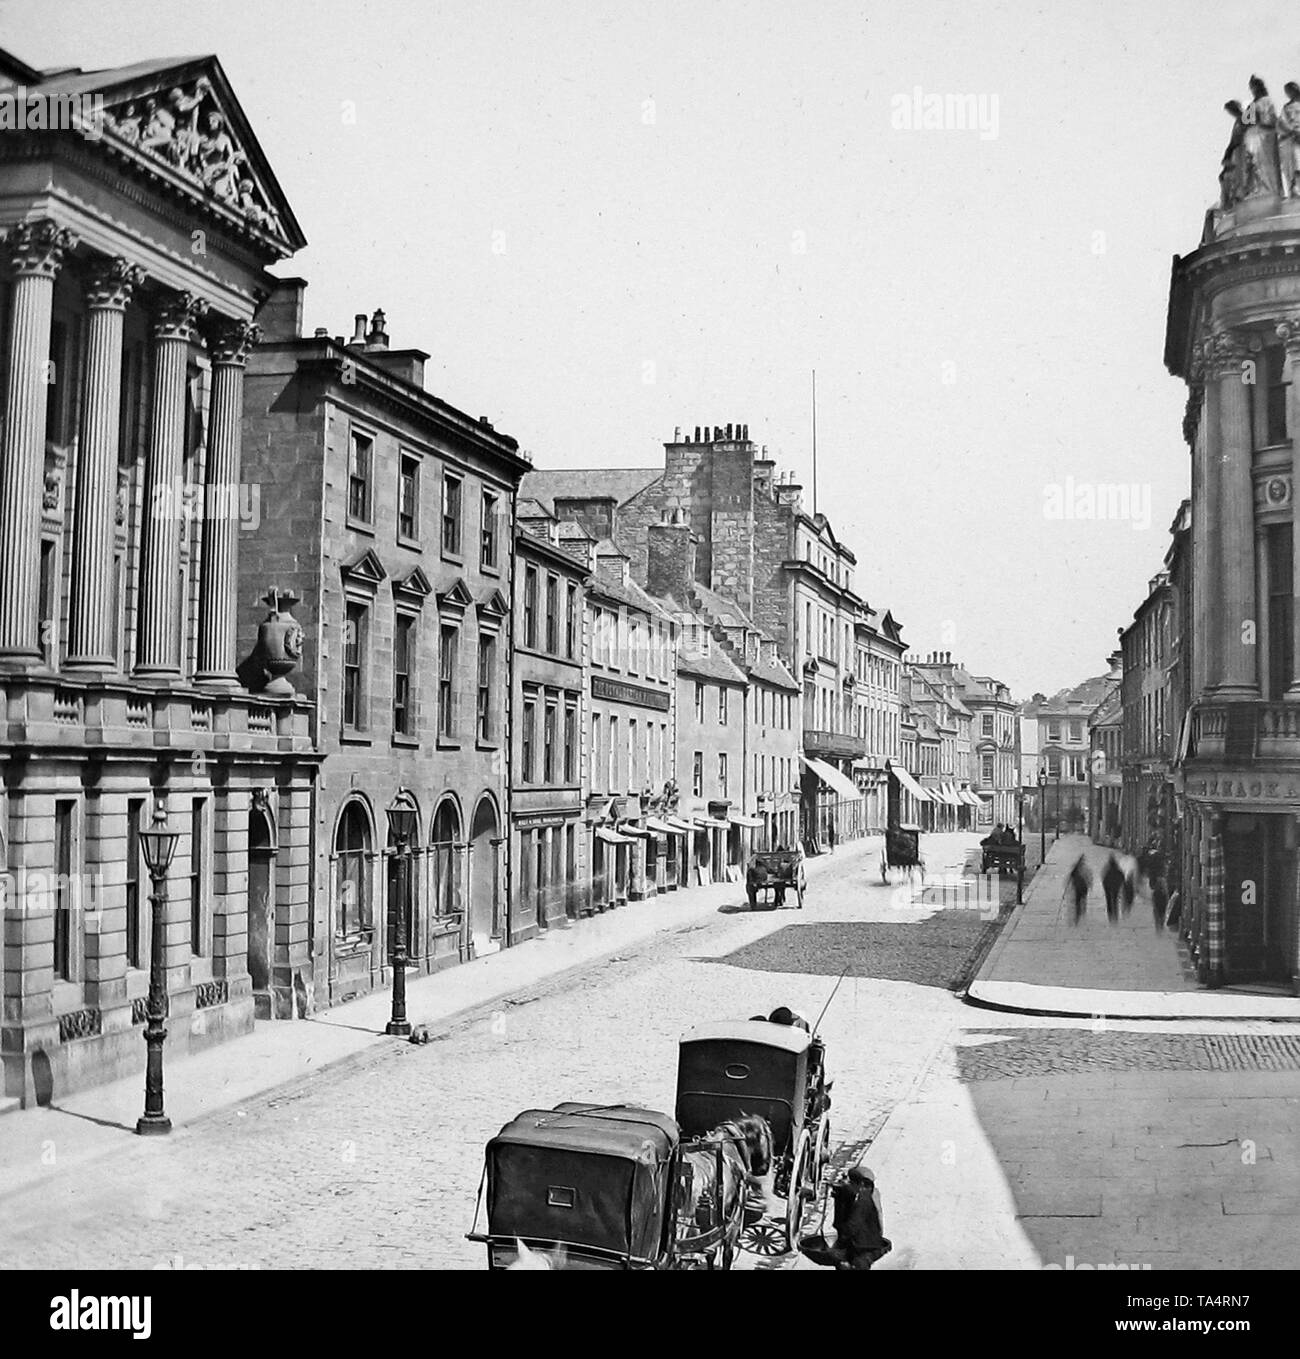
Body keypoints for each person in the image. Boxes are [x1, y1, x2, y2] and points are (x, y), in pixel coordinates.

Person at [830, 1166, 891, 1270]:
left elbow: (853, 1224)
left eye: (850, 1182)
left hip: (862, 1246)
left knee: (855, 1265)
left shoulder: (862, 1199)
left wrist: (840, 1242)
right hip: (863, 1242)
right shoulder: (866, 1194)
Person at [1281, 82, 1300, 198]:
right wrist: (1292, 131)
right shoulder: (1287, 107)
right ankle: (1295, 187)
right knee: (1295, 164)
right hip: (1293, 138)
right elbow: (1282, 123)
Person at [1068, 855, 1092, 925]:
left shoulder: (1075, 868)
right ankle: (1083, 910)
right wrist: (1090, 885)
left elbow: (1070, 878)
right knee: (1083, 899)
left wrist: (1068, 886)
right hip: (1084, 888)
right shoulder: (1086, 869)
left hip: (1077, 888)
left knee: (1077, 901)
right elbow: (1089, 877)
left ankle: (1077, 915)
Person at [1101, 854, 1124, 923]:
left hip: (1108, 888)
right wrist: (1119, 885)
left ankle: (1110, 916)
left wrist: (1105, 886)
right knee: (1115, 901)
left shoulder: (1107, 868)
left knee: (1108, 902)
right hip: (1115, 888)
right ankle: (1115, 916)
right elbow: (1122, 877)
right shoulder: (1118, 868)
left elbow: (1103, 877)